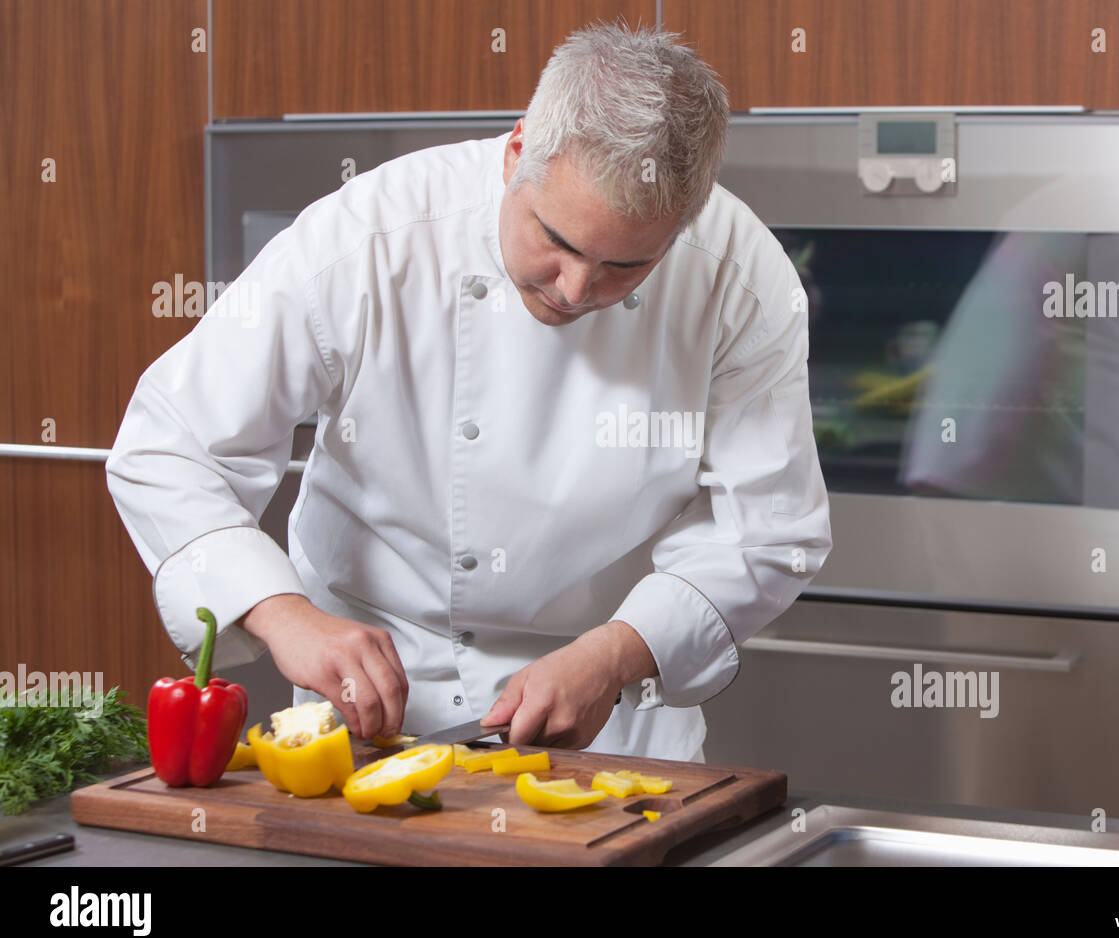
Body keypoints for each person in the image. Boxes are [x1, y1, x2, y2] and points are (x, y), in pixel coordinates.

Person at [106, 21, 832, 761]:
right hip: (371, 710)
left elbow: (770, 531)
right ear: (518, 151)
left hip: (613, 723)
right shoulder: (369, 238)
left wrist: (615, 656)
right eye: (558, 240)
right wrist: (281, 613)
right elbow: (169, 444)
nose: (578, 289)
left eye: (627, 266)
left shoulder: (741, 279)